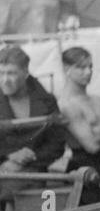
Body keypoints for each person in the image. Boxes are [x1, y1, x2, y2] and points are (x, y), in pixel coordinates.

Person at [0, 44, 66, 174]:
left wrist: (29, 159)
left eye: (11, 73)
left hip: (34, 171)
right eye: (1, 73)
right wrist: (9, 155)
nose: (5, 80)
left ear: (25, 73)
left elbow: (57, 144)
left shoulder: (47, 101)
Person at [58, 47, 100, 174]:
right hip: (83, 168)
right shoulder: (67, 105)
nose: (88, 72)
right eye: (81, 68)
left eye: (90, 67)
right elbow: (92, 146)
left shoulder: (98, 100)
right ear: (67, 69)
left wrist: (99, 131)